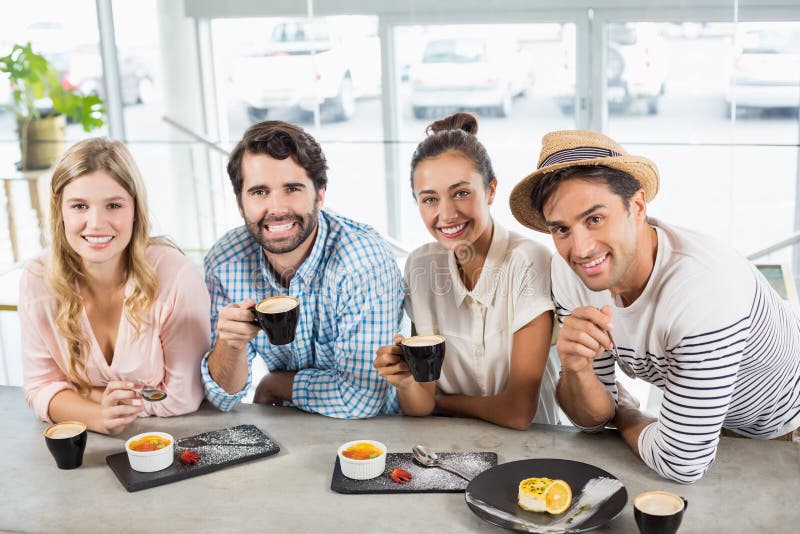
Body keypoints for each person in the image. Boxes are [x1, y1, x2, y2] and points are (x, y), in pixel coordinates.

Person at [509, 129, 800, 483]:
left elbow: (680, 463)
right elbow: (593, 418)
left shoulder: (704, 289)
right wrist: (576, 369)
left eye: (595, 219)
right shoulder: (570, 273)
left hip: (785, 431)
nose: (581, 248)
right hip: (709, 423)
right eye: (561, 229)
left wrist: (628, 413)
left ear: (638, 207)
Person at [202, 120, 404, 418]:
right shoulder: (225, 262)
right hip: (289, 426)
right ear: (240, 204)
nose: (277, 208)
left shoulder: (363, 262)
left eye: (292, 188)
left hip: (376, 432)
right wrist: (230, 346)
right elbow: (223, 398)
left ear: (319, 194)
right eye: (259, 192)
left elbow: (361, 399)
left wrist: (275, 385)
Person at [373, 113, 561, 430]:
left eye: (461, 192)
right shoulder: (421, 266)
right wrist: (407, 383)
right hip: (450, 448)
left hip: (531, 450)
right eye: (430, 199)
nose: (446, 214)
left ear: (490, 190)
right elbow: (420, 407)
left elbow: (518, 413)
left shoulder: (528, 262)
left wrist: (440, 403)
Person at [20, 138, 210, 435]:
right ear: (60, 210)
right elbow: (39, 387)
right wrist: (98, 415)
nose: (96, 223)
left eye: (114, 205)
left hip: (175, 439)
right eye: (80, 206)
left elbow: (183, 397)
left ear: (135, 209)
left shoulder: (176, 277)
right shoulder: (37, 280)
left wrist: (80, 394)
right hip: (92, 449)